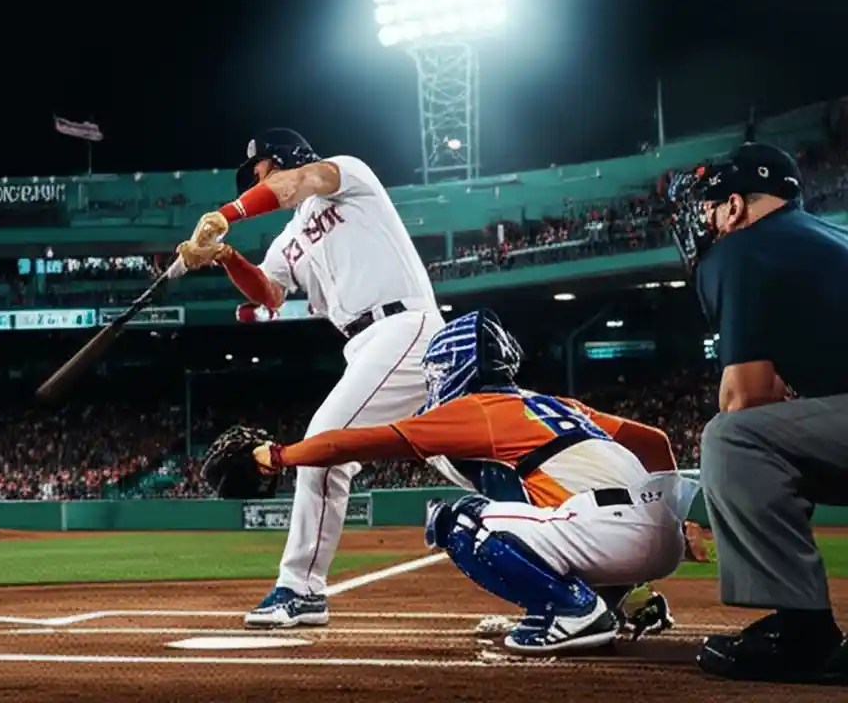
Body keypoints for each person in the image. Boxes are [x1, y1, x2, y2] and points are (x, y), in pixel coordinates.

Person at [245, 310, 700, 653]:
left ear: (456, 368)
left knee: (459, 522)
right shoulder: (555, 403)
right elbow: (655, 439)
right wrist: (672, 517)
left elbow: (348, 444)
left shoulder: (476, 409)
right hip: (657, 542)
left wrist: (280, 455)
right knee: (538, 505)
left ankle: (573, 610)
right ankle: (620, 605)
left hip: (612, 533)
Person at [175, 128, 446, 628]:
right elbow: (270, 295)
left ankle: (300, 589)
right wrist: (226, 256)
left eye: (261, 172)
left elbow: (300, 182)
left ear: (284, 159)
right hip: (366, 346)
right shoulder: (288, 239)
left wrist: (229, 215)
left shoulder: (346, 174)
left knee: (324, 446)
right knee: (471, 460)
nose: (259, 182)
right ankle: (574, 573)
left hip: (405, 326)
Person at [666, 141, 848, 683]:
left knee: (733, 439)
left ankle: (803, 635)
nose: (708, 221)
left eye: (711, 207)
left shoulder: (742, 250)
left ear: (737, 207)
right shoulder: (824, 237)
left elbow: (742, 399)